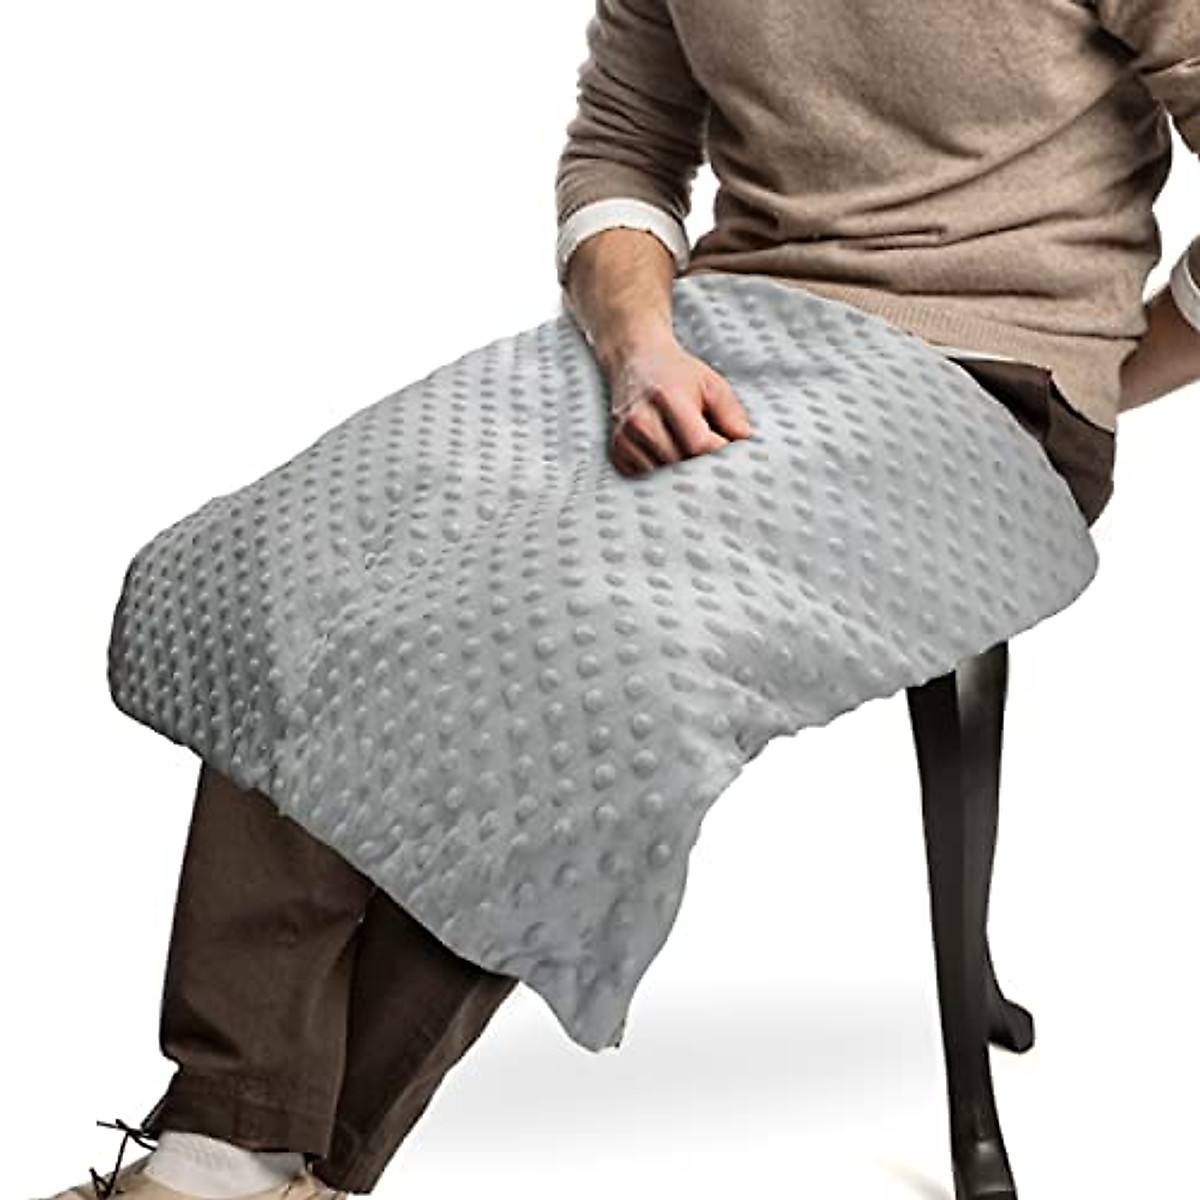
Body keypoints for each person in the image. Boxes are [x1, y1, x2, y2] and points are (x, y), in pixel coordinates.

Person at [39, 2, 1200, 1197]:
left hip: (988, 381)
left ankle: (270, 1164)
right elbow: (625, 143)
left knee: (572, 652)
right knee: (293, 555)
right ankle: (228, 1136)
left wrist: (1110, 370)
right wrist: (641, 344)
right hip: (712, 329)